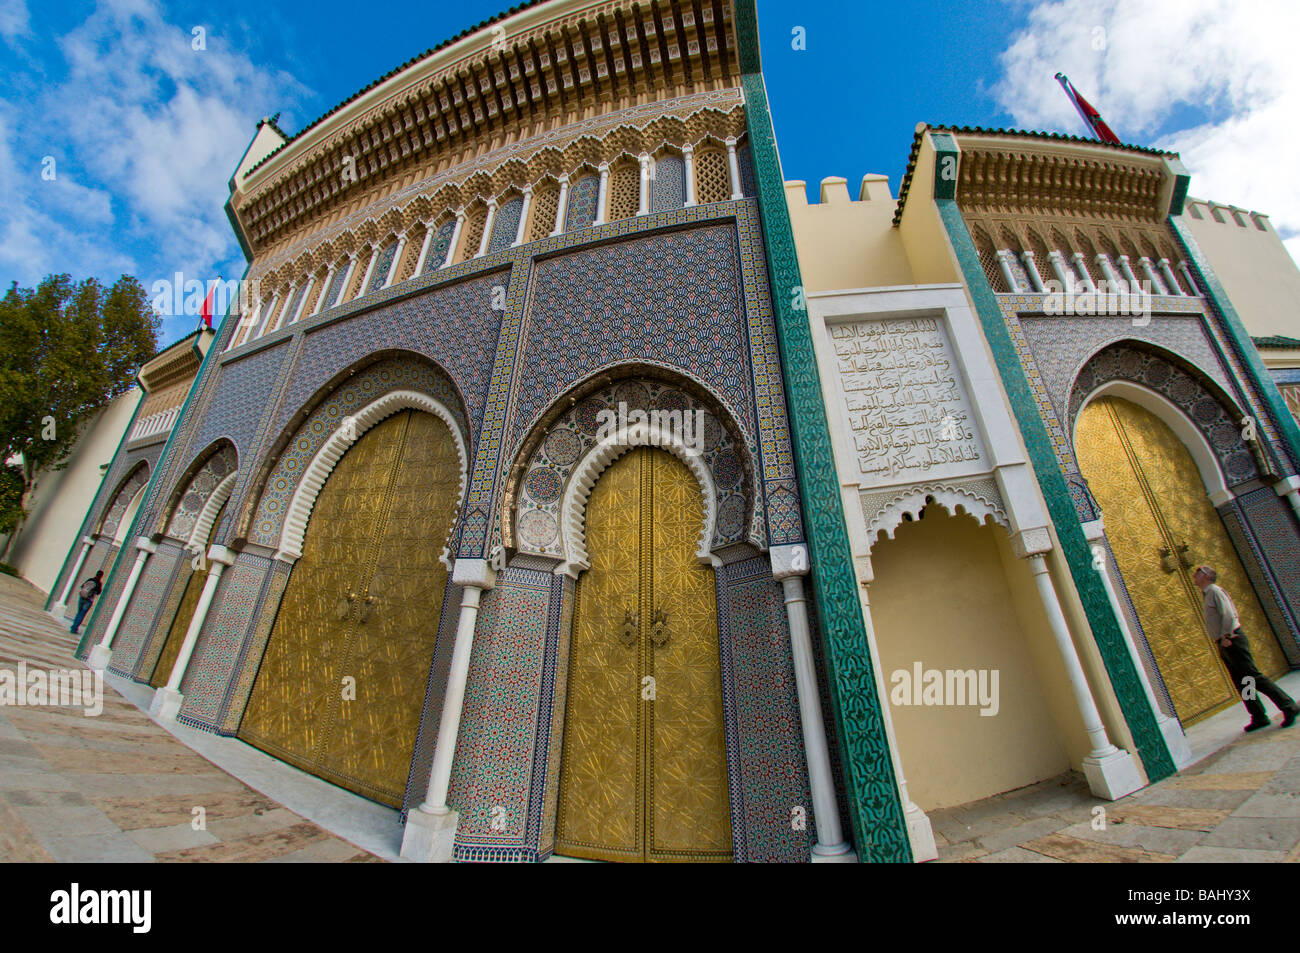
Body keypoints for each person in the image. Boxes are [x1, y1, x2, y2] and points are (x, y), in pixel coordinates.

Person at [1194, 565, 1298, 732]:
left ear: (1206, 576)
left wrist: (1227, 636)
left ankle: (1288, 706)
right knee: (1243, 682)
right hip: (1224, 642)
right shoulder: (1207, 594)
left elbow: (1228, 614)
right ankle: (1258, 715)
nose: (1194, 576)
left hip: (1232, 639)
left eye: (1198, 573)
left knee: (1253, 677)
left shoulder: (1214, 591)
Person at [70, 570, 103, 635]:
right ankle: (74, 628)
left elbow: (82, 586)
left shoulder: (90, 579)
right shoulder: (99, 583)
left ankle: (73, 626)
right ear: (101, 576)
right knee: (82, 614)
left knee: (79, 613)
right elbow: (98, 592)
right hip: (88, 600)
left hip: (82, 597)